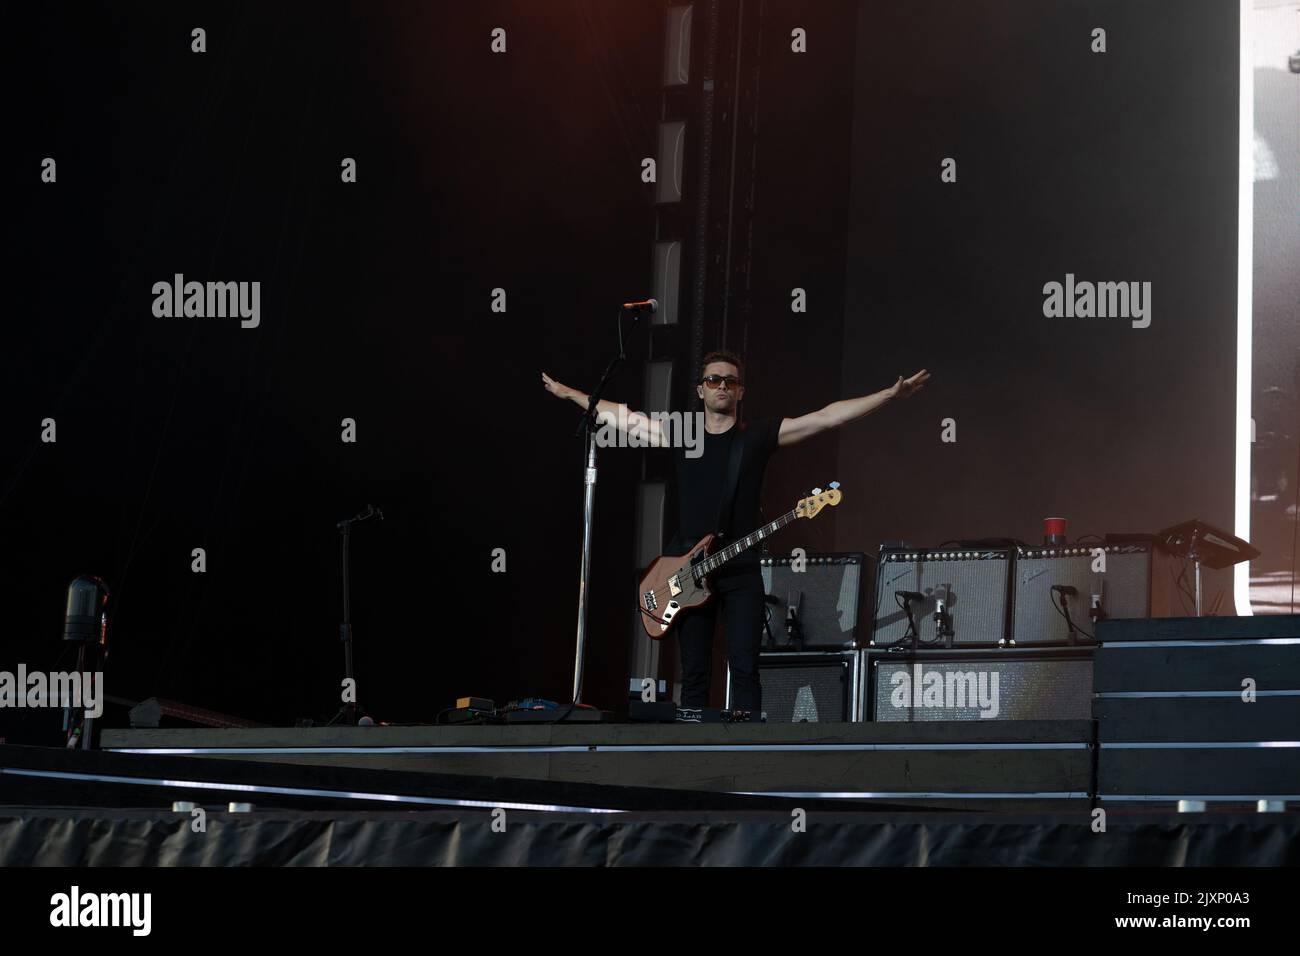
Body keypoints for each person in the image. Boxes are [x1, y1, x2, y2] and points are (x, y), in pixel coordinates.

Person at [543, 351, 928, 715]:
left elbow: (826, 418)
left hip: (741, 569)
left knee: (744, 667)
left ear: (741, 391)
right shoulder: (684, 433)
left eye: (730, 381)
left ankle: (745, 752)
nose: (722, 386)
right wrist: (570, 394)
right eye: (713, 380)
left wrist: (889, 395)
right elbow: (627, 420)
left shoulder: (757, 437)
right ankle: (689, 759)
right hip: (686, 571)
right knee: (693, 674)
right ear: (701, 389)